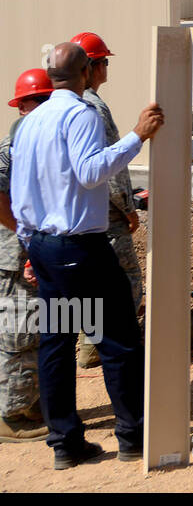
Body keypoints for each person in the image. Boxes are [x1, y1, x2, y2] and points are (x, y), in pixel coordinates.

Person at [8, 43, 164, 469]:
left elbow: (19, 195)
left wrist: (31, 244)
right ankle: (133, 435)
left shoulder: (29, 123)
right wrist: (138, 136)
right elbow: (92, 171)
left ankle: (65, 444)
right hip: (80, 249)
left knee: (56, 343)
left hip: (46, 249)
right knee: (117, 340)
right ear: (86, 71)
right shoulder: (80, 115)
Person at [69, 32, 143, 371]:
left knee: (88, 281)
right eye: (105, 62)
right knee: (125, 277)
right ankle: (112, 345)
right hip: (106, 213)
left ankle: (89, 342)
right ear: (94, 67)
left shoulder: (65, 105)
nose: (107, 68)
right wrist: (126, 207)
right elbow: (109, 165)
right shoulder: (94, 108)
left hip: (79, 213)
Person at [0, 69, 54, 443]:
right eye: (38, 102)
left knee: (32, 326)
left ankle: (28, 401)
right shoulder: (11, 148)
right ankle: (14, 414)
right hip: (14, 251)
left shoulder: (36, 142)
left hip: (29, 246)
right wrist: (25, 238)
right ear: (22, 107)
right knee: (19, 329)